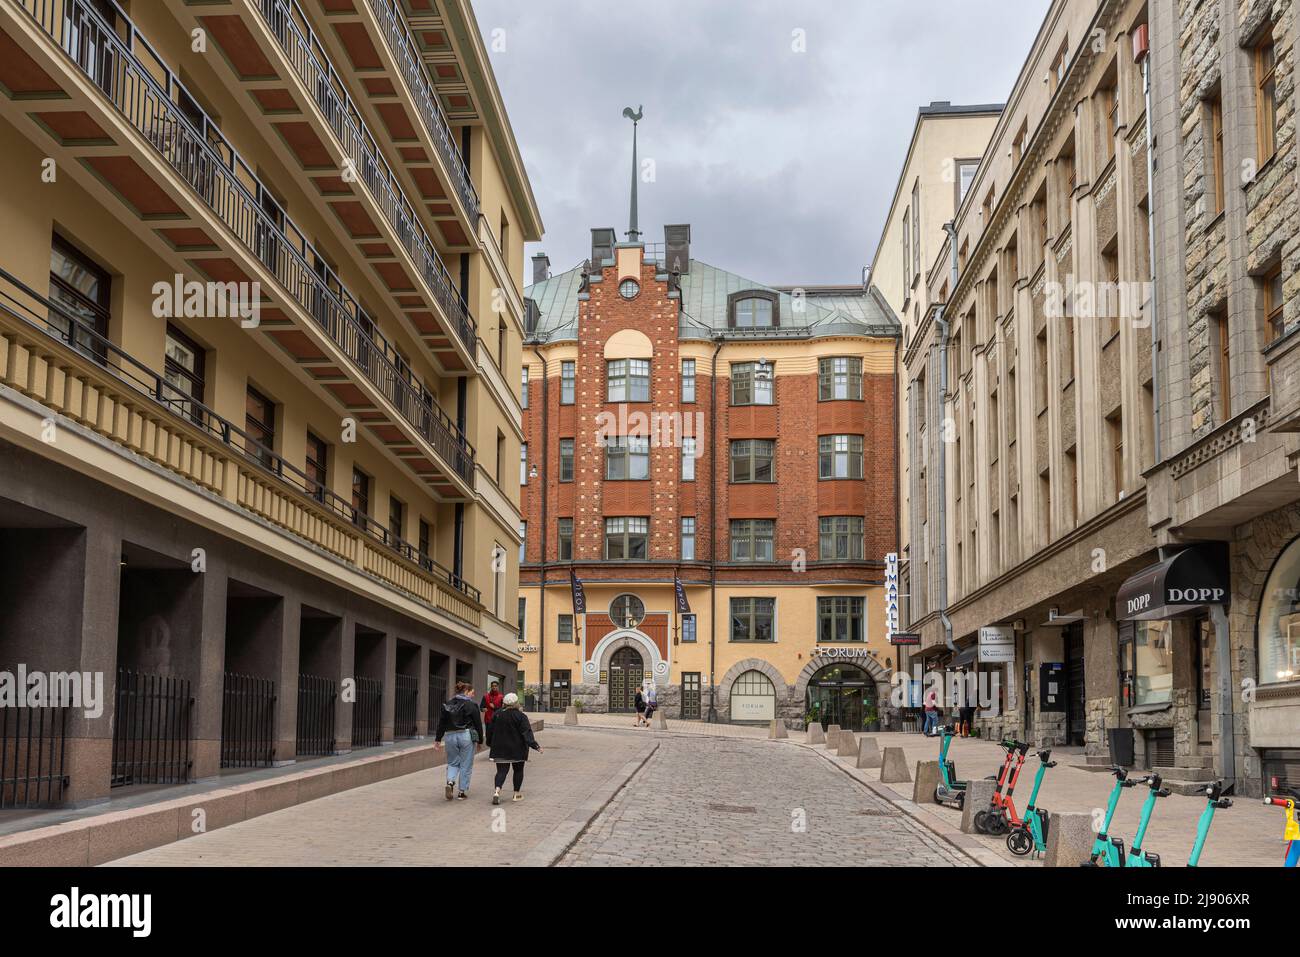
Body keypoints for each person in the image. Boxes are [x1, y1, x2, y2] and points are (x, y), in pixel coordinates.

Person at [487, 692, 542, 804]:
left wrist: (489, 743)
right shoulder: (521, 716)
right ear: (516, 703)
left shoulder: (497, 714)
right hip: (518, 749)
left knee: (501, 771)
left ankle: (497, 791)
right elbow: (526, 733)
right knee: (518, 770)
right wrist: (535, 746)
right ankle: (516, 794)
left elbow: (490, 731)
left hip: (500, 748)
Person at [435, 681, 483, 800]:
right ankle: (462, 792)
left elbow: (442, 722)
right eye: (472, 693)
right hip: (466, 735)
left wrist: (438, 739)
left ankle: (450, 782)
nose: (473, 695)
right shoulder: (471, 705)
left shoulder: (447, 703)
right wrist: (480, 740)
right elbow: (478, 724)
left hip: (450, 735)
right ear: (466, 692)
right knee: (466, 764)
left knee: (452, 762)